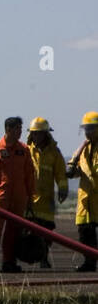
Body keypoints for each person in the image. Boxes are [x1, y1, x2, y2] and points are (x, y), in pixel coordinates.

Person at [0, 117, 35, 273]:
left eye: (20, 128)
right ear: (8, 129)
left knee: (14, 230)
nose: (20, 132)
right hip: (1, 196)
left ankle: (9, 261)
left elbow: (29, 175)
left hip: (19, 196)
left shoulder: (24, 150)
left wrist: (30, 198)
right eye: (17, 128)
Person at [26, 117, 68, 267]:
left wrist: (63, 189)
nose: (36, 137)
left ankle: (44, 258)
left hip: (46, 201)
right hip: (30, 201)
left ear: (46, 134)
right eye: (34, 134)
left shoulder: (54, 153)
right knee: (29, 232)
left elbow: (61, 174)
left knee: (47, 231)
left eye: (39, 133)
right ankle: (30, 257)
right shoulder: (26, 151)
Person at [66, 112, 98, 272]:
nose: (87, 132)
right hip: (85, 199)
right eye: (86, 128)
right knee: (85, 233)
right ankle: (89, 262)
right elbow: (74, 171)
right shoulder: (84, 150)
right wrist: (73, 165)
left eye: (91, 128)